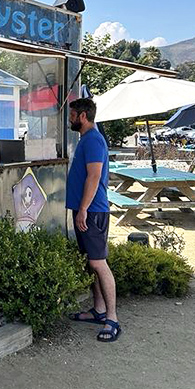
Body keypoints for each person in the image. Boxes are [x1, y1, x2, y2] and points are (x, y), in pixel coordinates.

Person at [66, 97, 120, 342]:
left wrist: (84, 209)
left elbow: (94, 176)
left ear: (83, 116)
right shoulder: (86, 139)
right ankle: (98, 310)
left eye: (72, 114)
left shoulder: (94, 140)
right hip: (86, 210)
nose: (70, 119)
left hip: (93, 211)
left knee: (99, 263)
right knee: (91, 261)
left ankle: (112, 319)